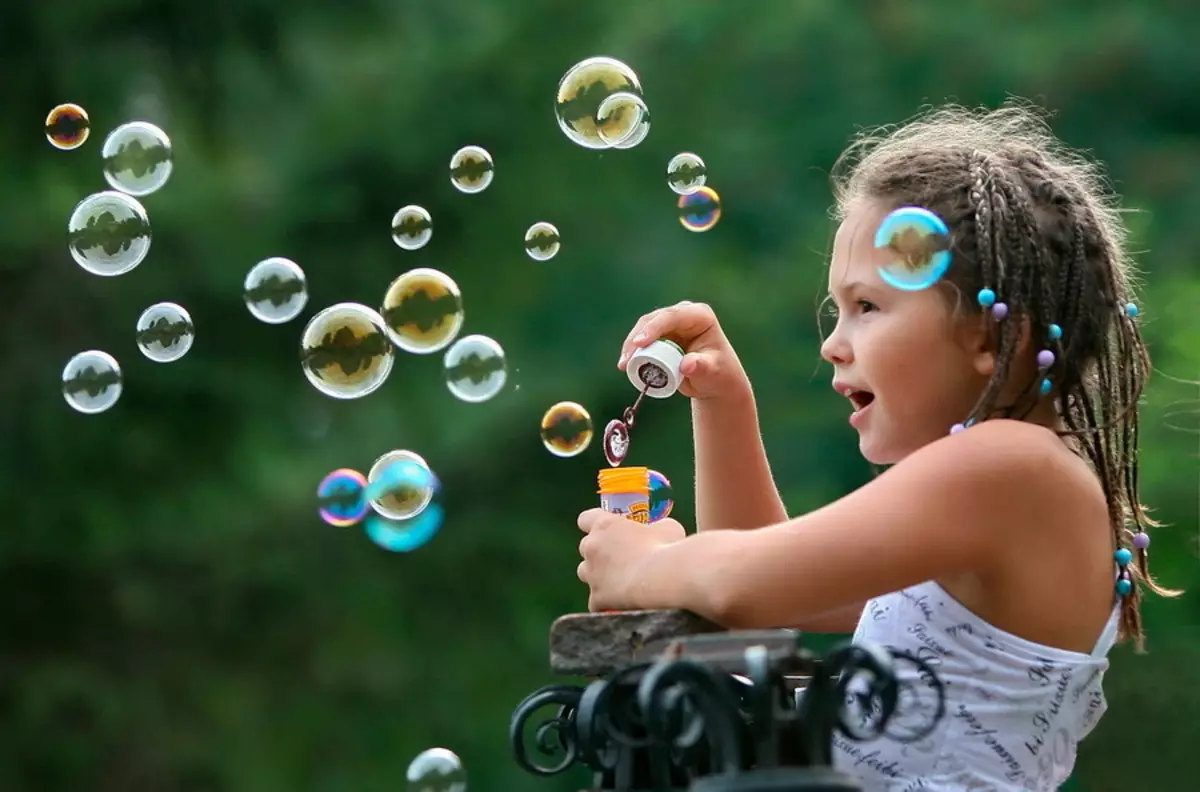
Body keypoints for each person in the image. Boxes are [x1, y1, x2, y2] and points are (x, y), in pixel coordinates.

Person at [573, 103, 1178, 790]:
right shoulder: (1012, 487)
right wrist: (724, 405)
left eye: (866, 307)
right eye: (836, 310)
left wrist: (644, 563)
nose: (833, 342)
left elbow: (742, 581)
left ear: (987, 334)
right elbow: (774, 593)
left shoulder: (1010, 465)